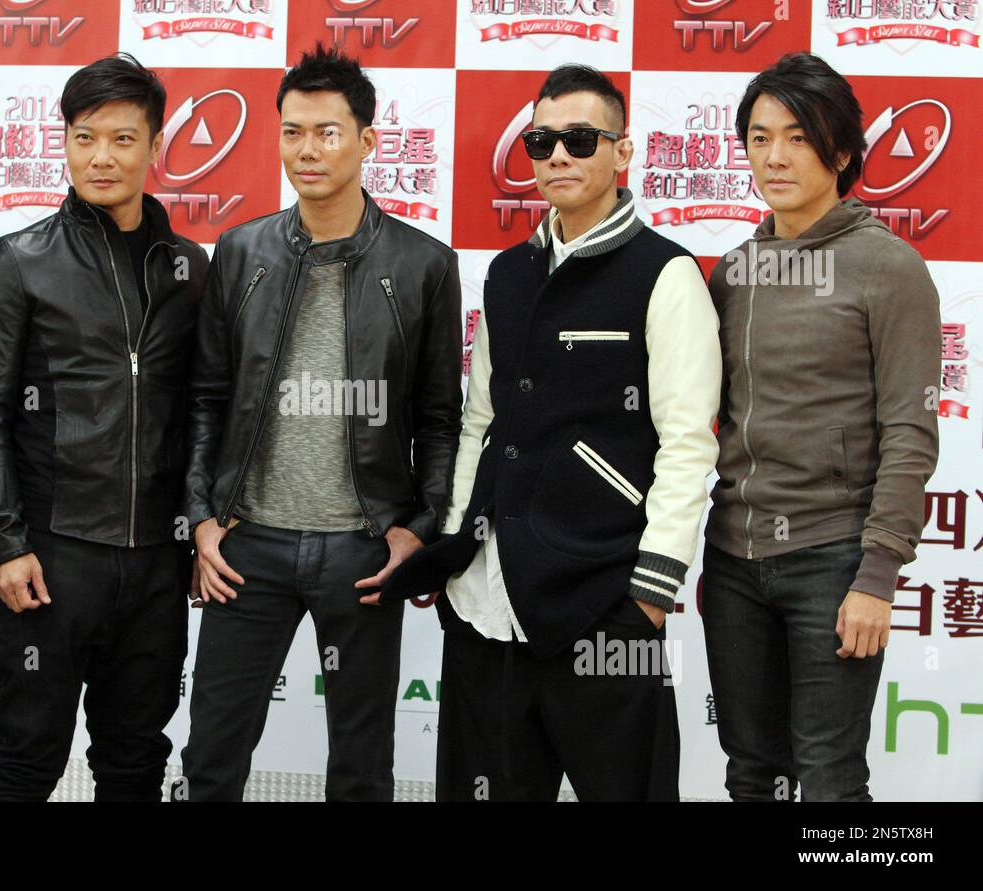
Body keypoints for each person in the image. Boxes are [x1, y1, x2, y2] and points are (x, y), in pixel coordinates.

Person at [384, 64, 721, 802]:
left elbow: (688, 443)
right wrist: (452, 550)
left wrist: (650, 595)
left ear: (622, 151)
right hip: (483, 609)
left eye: (579, 138)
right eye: (542, 141)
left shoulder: (665, 275)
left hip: (603, 605)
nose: (558, 155)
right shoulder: (507, 274)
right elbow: (480, 420)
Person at [179, 43, 462, 802]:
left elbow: (440, 417)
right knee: (210, 757)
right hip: (251, 549)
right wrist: (203, 517)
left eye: (328, 131)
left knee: (362, 770)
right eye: (293, 131)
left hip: (362, 552)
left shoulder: (423, 263)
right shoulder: (243, 252)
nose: (308, 149)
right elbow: (207, 396)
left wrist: (419, 527)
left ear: (368, 140)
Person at [0, 53, 208, 802]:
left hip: (157, 568)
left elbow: (203, 407)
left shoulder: (189, 268)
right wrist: (5, 541)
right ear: (64, 142)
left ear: (155, 144)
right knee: (26, 756)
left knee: (135, 760)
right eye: (85, 136)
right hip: (49, 561)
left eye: (123, 138)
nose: (102, 156)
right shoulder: (22, 260)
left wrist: (197, 521)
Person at [702, 52, 940, 802]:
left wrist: (877, 575)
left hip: (832, 565)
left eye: (799, 137)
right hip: (733, 562)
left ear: (841, 151)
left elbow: (911, 430)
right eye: (760, 136)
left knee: (831, 782)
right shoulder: (732, 272)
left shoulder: (888, 267)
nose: (775, 156)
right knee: (751, 774)